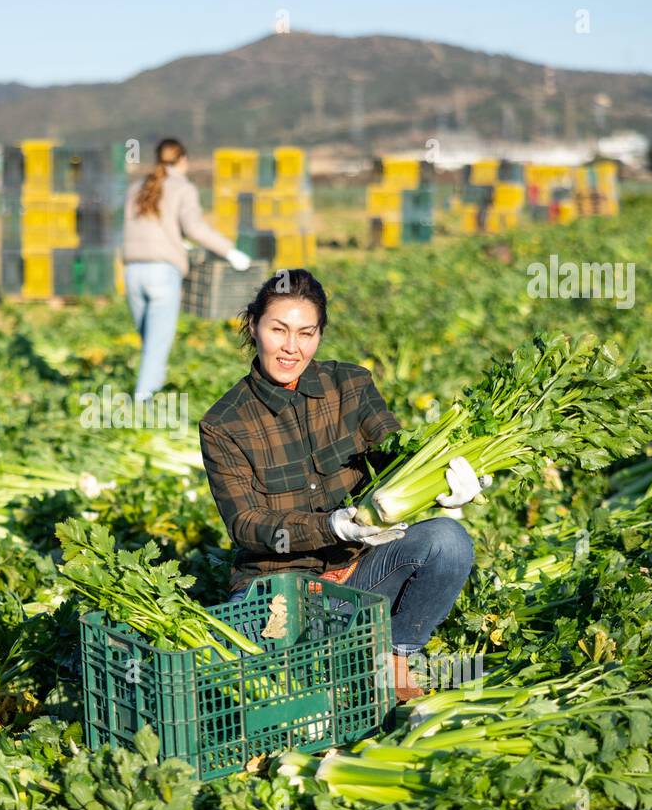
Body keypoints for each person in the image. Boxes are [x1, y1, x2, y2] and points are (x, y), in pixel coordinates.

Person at [198, 270, 488, 704]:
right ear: (253, 325)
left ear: (320, 335)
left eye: (306, 333)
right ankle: (348, 655)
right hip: (281, 590)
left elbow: (397, 453)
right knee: (260, 654)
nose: (291, 347)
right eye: (278, 329)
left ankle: (395, 653)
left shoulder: (351, 385)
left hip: (363, 576)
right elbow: (246, 525)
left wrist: (452, 479)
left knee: (447, 541)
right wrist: (332, 526)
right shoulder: (224, 423)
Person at [122, 138, 252, 403]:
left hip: (133, 271)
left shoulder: (137, 186)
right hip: (162, 273)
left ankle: (151, 390)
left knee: (150, 343)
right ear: (182, 160)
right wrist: (230, 251)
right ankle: (142, 404)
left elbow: (137, 227)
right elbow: (194, 228)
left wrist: (174, 239)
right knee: (157, 346)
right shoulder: (182, 187)